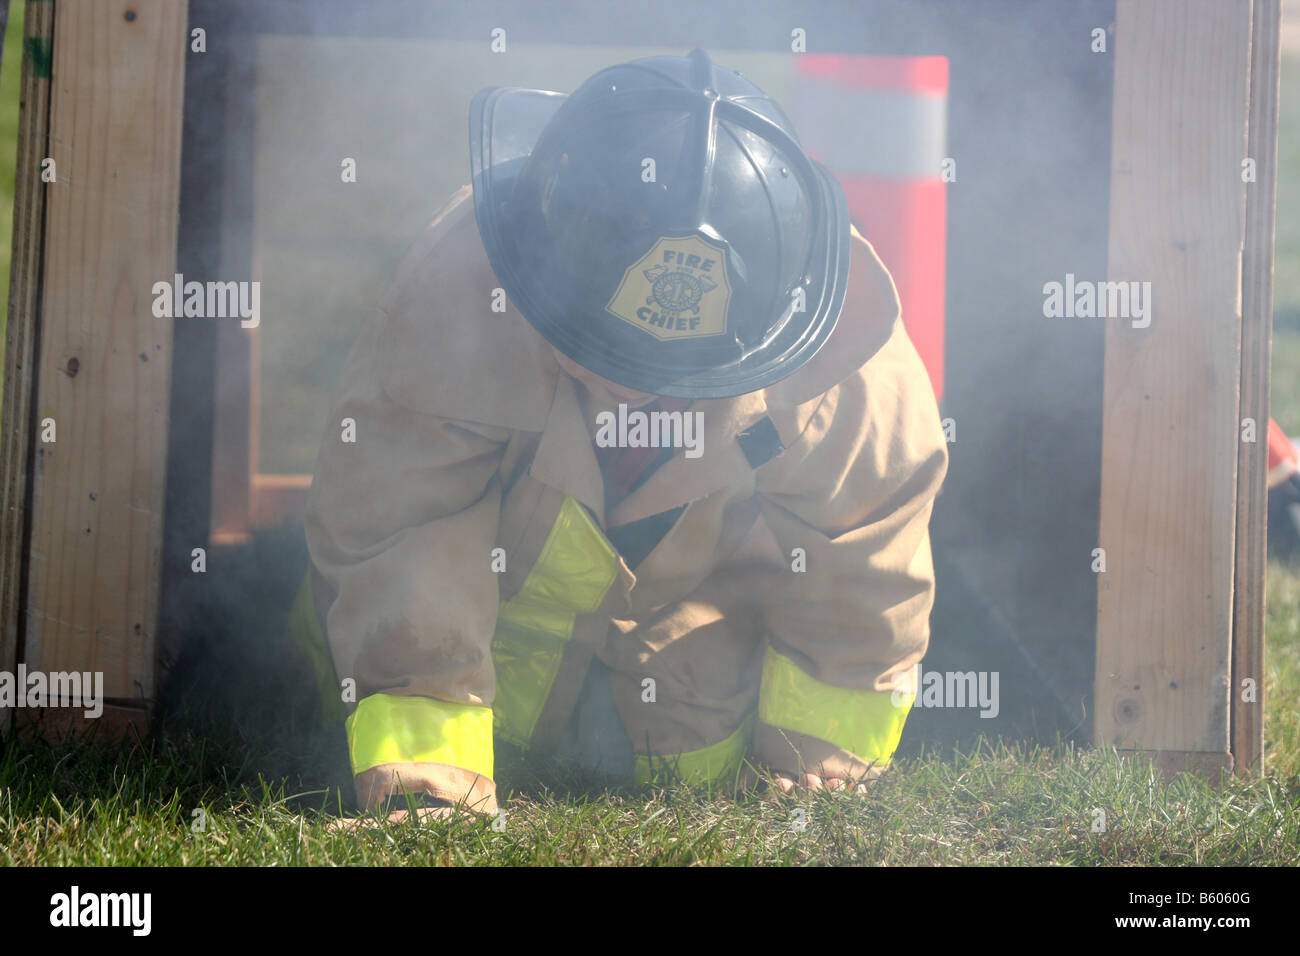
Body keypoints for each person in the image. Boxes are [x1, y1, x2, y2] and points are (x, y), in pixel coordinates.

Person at [291, 49, 949, 821]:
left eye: (676, 374)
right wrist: (427, 763)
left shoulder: (841, 346)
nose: (634, 390)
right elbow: (403, 530)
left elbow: (865, 555)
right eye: (609, 354)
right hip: (469, 653)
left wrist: (818, 765)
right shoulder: (461, 290)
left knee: (713, 740)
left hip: (692, 692)